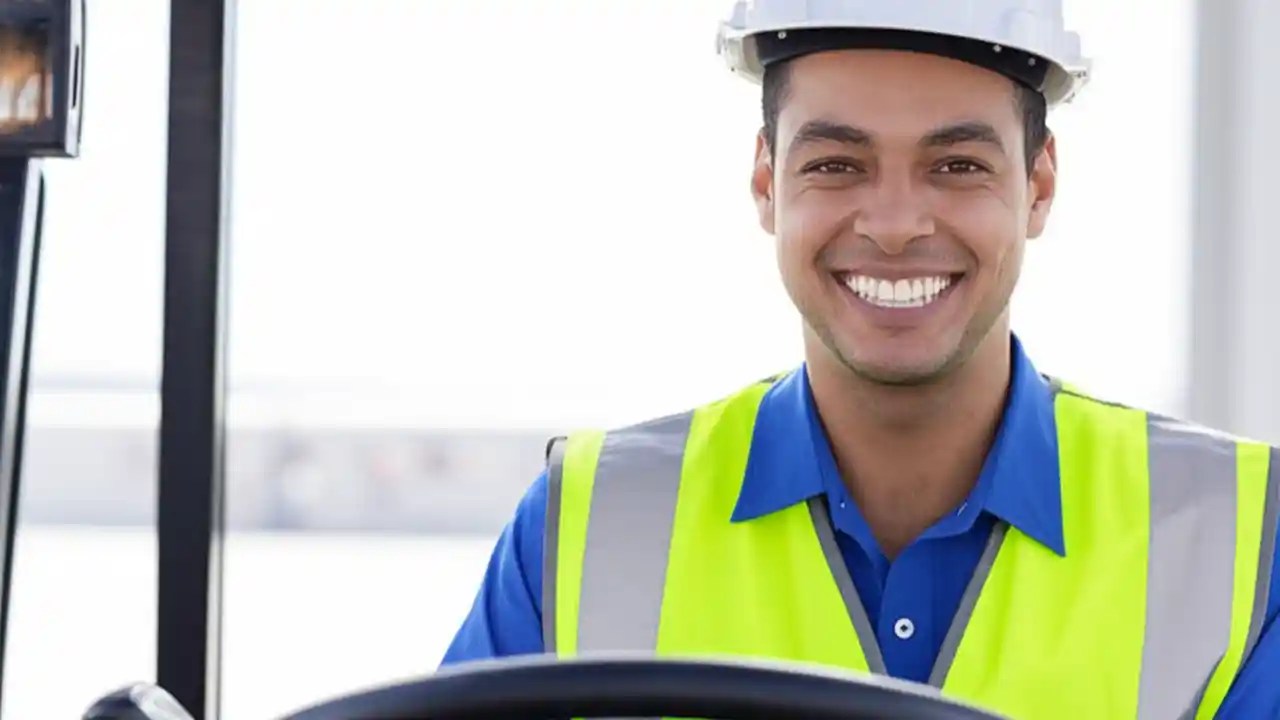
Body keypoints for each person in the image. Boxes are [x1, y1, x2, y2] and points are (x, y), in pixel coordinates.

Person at [439, 1, 1280, 717]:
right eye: (837, 164)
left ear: (1040, 185)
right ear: (768, 184)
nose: (893, 221)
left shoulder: (1237, 541)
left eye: (957, 165)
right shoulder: (586, 528)